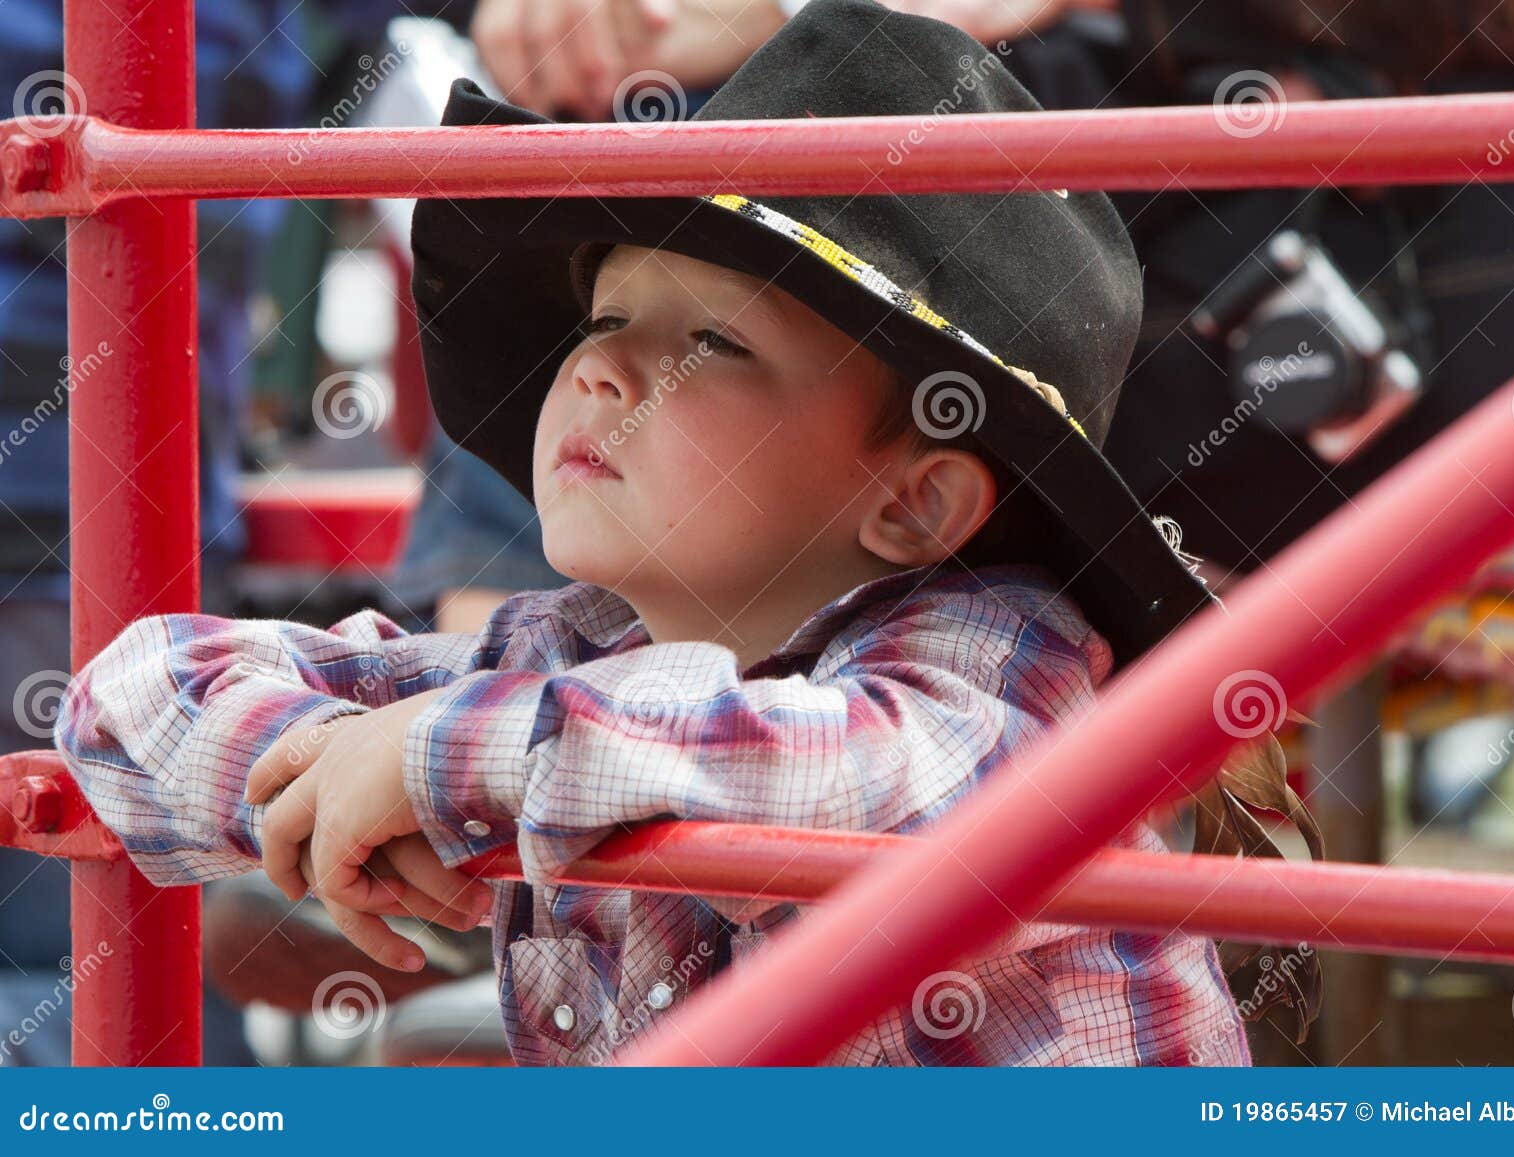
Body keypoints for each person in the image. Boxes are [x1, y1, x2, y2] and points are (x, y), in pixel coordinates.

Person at [53, 0, 1284, 1066]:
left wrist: (434, 757)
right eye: (604, 316)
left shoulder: (1000, 672)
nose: (600, 372)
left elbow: (845, 774)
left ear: (912, 499)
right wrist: (326, 761)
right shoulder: (573, 653)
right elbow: (128, 696)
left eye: (712, 343)